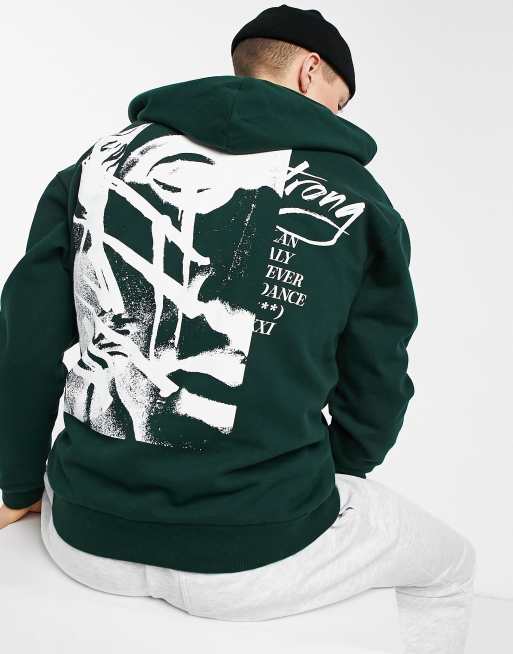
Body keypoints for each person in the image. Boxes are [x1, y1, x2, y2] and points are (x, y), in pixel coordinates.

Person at [0, 4, 475, 652]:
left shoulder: (96, 164)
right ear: (309, 72)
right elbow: (377, 384)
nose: (337, 120)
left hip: (86, 535)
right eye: (339, 103)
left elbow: (23, 343)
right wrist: (331, 474)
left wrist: (19, 485)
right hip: (258, 554)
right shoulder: (360, 199)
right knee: (451, 568)